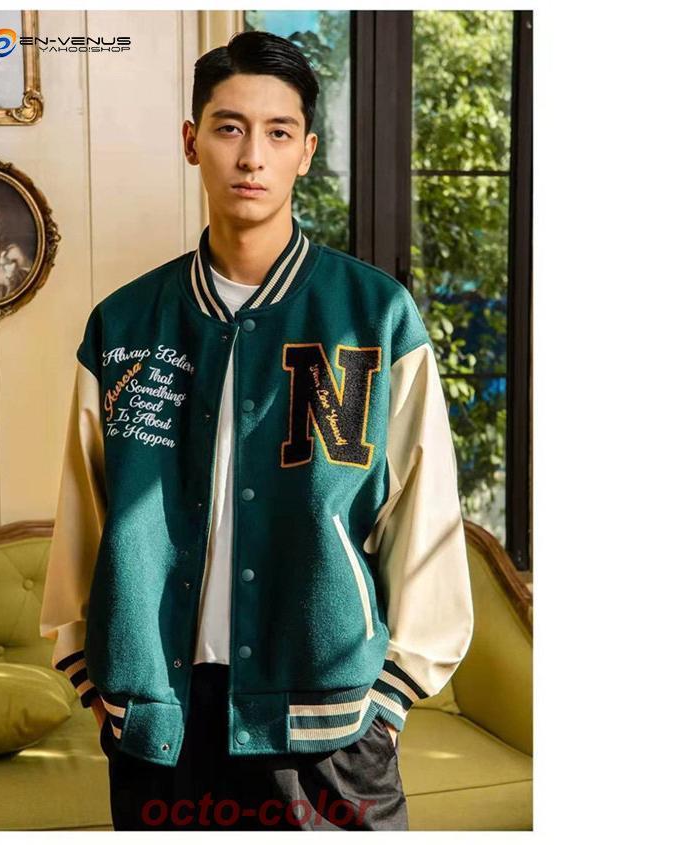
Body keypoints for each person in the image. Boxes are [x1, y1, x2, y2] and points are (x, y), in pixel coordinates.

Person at [39, 30, 474, 831]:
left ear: (306, 151)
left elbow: (425, 517)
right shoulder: (123, 325)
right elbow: (85, 515)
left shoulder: (373, 317)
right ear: (191, 141)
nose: (251, 156)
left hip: (332, 723)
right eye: (229, 127)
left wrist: (389, 698)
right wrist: (93, 674)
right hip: (160, 724)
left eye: (278, 132)